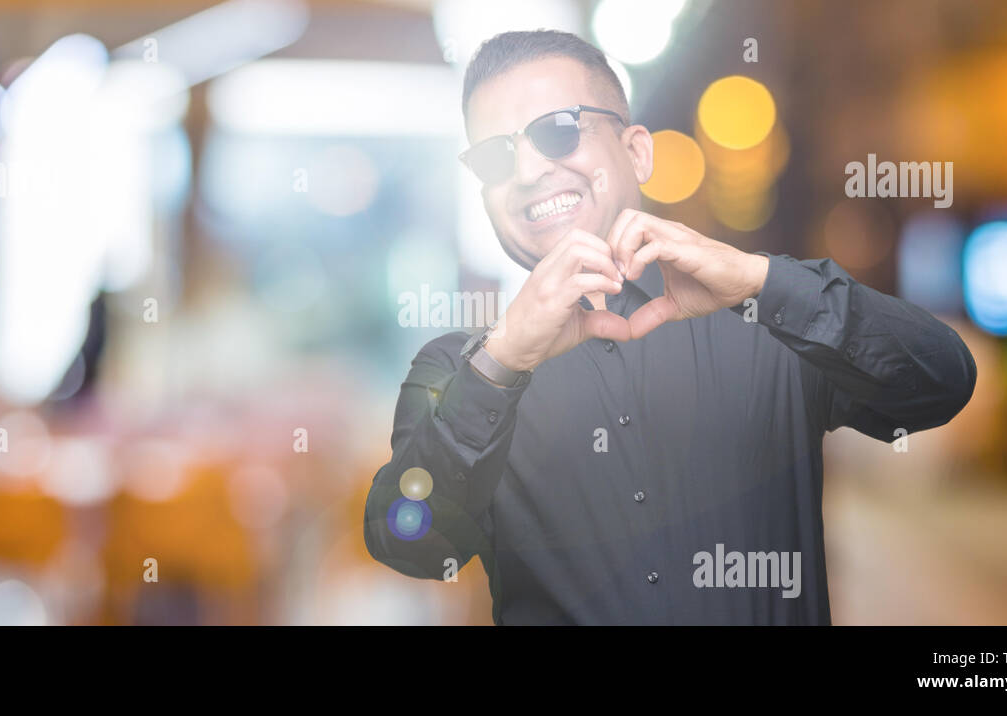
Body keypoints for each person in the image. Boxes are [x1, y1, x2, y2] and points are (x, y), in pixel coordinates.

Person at [363, 30, 976, 624]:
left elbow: (940, 382)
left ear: (637, 151)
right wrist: (498, 366)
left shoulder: (768, 312)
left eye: (557, 132)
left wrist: (764, 283)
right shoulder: (457, 368)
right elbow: (411, 541)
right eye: (497, 155)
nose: (526, 172)